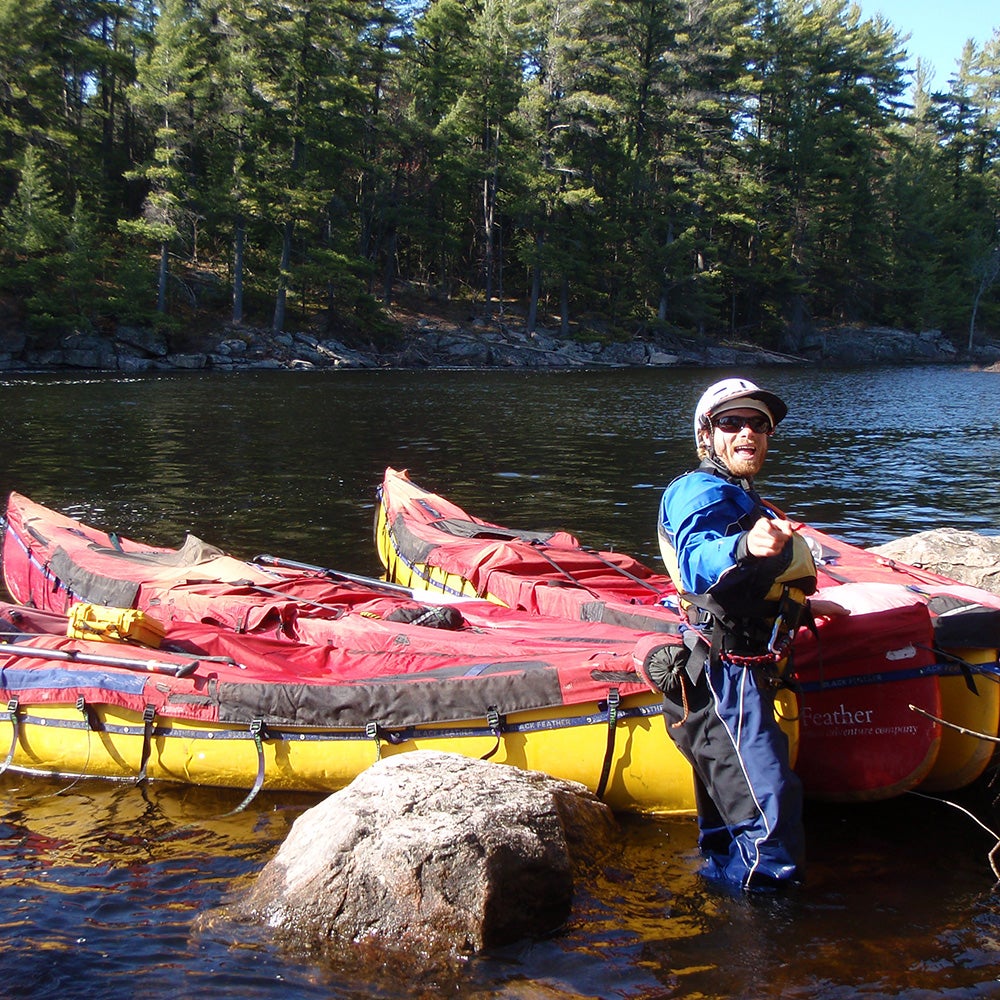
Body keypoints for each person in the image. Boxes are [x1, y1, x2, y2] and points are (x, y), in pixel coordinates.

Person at [653, 377, 823, 890]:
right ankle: (768, 960)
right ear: (707, 436)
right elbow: (699, 555)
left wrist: (804, 603)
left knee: (728, 837)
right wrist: (744, 545)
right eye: (731, 422)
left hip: (734, 682)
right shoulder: (697, 491)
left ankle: (714, 935)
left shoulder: (746, 500)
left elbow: (761, 585)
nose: (747, 432)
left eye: (758, 424)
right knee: (770, 840)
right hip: (726, 684)